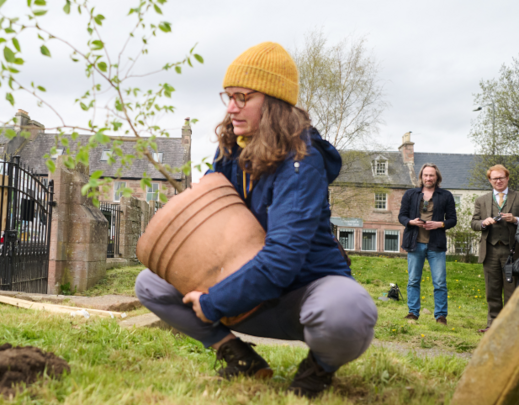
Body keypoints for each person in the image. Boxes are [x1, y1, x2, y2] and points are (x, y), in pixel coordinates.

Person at [135, 42, 377, 398]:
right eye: (228, 96)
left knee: (348, 309)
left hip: (302, 297)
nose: (231, 107)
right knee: (151, 284)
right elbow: (209, 208)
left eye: (242, 97)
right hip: (247, 300)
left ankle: (319, 368)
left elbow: (283, 259)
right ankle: (239, 357)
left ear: (274, 102)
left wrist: (214, 302)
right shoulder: (231, 151)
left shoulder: (302, 161)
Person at [398, 163, 457, 325]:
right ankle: (413, 312)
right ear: (421, 177)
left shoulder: (446, 195)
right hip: (415, 243)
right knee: (413, 280)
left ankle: (440, 316)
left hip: (436, 245)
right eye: (426, 175)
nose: (428, 178)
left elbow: (452, 220)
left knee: (440, 282)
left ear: (437, 177)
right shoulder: (411, 194)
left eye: (431, 175)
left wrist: (440, 224)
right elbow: (401, 216)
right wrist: (411, 222)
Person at [471, 165, 519, 332]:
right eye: (494, 178)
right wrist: (484, 222)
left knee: (512, 290)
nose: (498, 181)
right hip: (490, 250)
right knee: (492, 289)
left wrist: (516, 219)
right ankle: (492, 325)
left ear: (507, 178)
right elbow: (474, 223)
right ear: (490, 180)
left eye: (501, 178)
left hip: (513, 251)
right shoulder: (481, 200)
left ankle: (511, 327)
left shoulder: (517, 197)